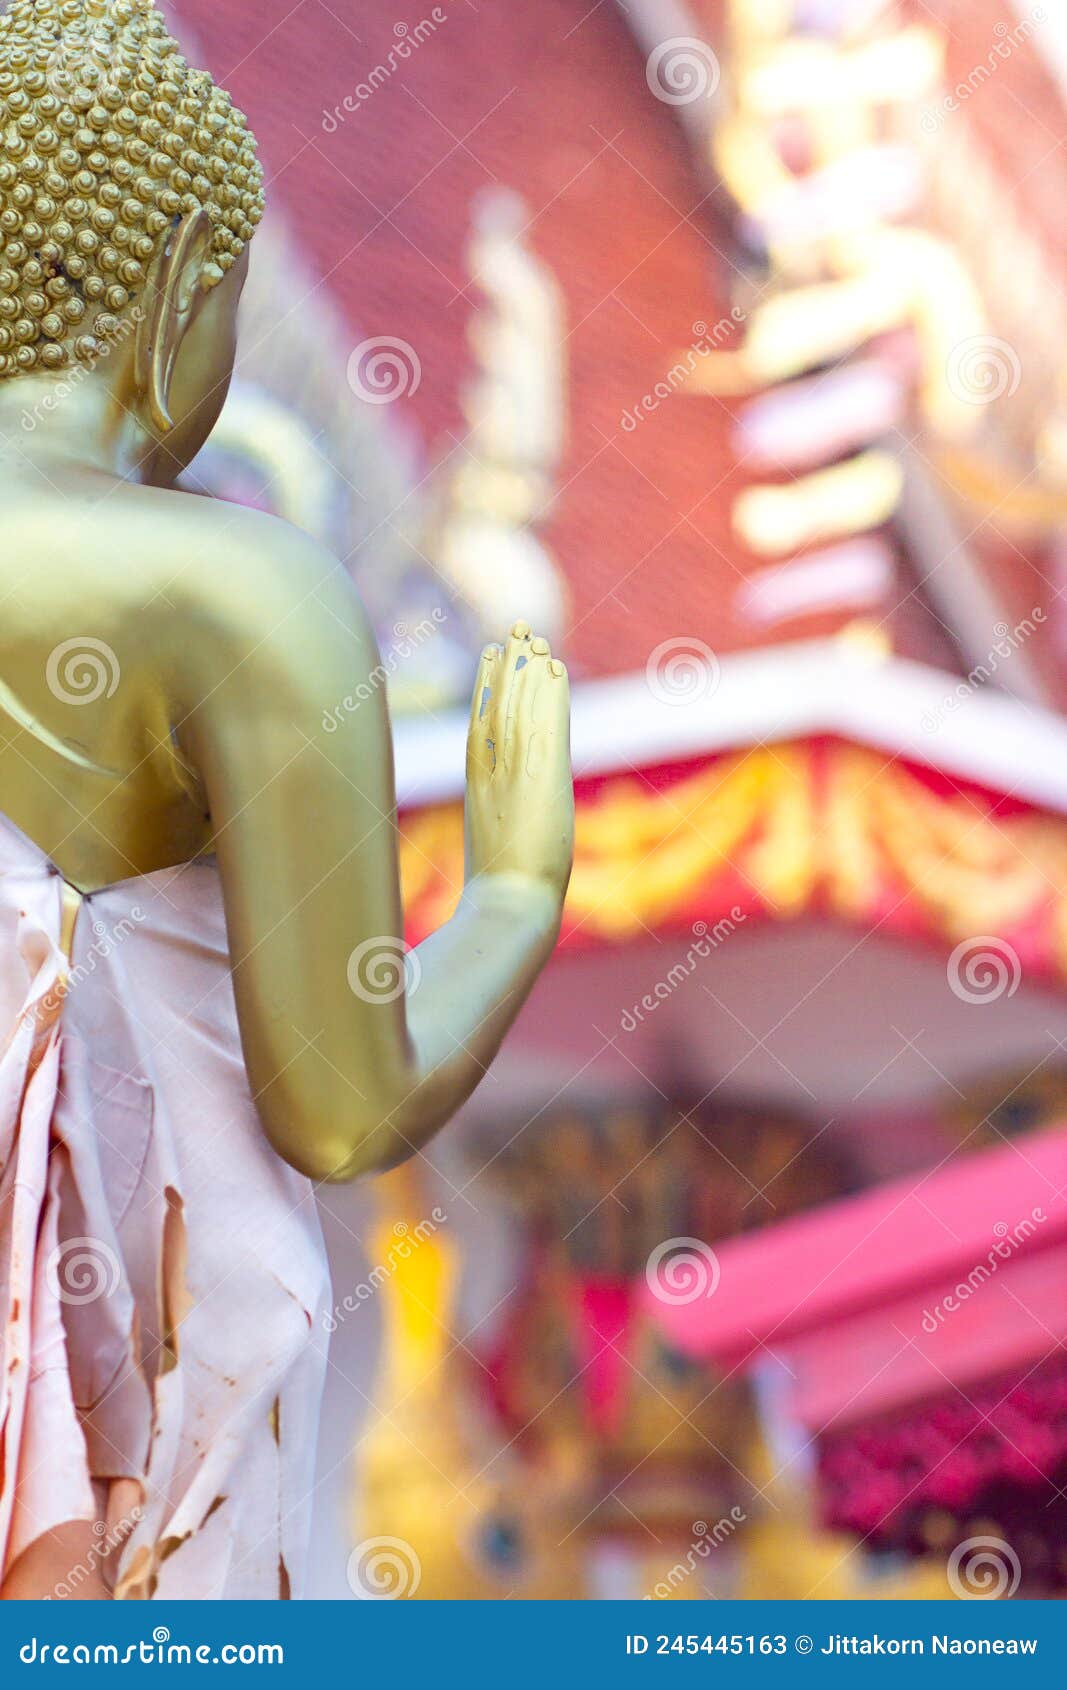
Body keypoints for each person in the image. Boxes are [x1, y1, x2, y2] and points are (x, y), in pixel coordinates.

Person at [0, 0, 573, 1600]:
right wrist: (514, 891)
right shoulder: (239, 589)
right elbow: (338, 1099)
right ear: (185, 286)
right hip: (135, 1431)